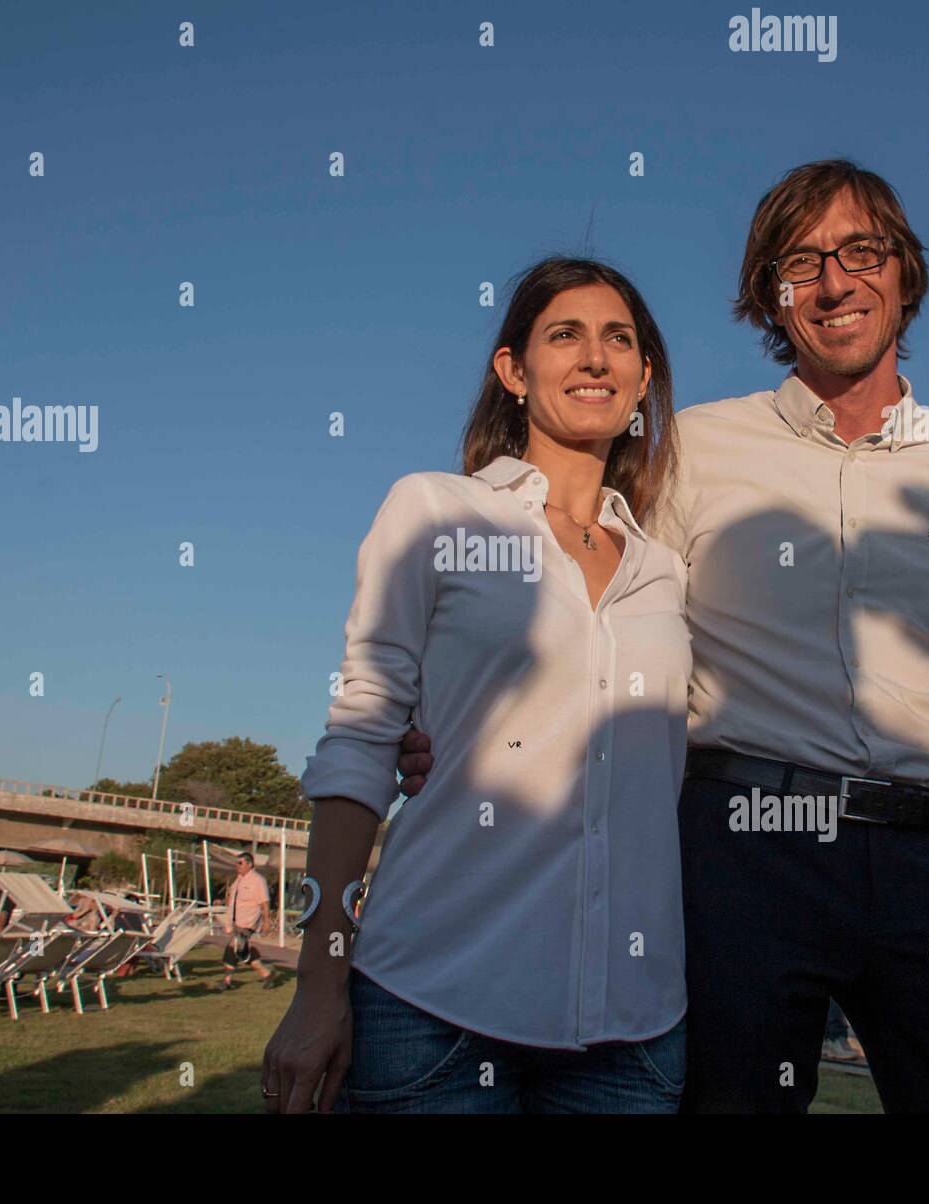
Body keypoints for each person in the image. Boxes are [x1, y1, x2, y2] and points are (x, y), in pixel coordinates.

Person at [398, 161, 929, 1114]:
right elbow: (604, 623)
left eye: (860, 252)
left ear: (903, 273)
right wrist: (446, 717)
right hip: (746, 853)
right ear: (771, 296)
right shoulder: (696, 449)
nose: (834, 282)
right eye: (800, 264)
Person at [263, 257, 689, 1114]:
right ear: (513, 371)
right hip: (431, 1008)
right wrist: (319, 986)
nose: (595, 359)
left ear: (644, 378)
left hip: (634, 1034)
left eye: (619, 340)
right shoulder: (434, 510)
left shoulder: (670, 572)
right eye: (564, 335)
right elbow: (361, 741)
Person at [219, 853, 274, 991]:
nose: (237, 866)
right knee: (242, 953)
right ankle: (267, 974)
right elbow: (233, 900)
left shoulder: (257, 881)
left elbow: (265, 902)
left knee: (232, 947)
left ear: (249, 864)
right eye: (237, 863)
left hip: (248, 923)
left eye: (240, 863)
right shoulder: (238, 880)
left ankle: (226, 981)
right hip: (235, 922)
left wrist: (267, 921)